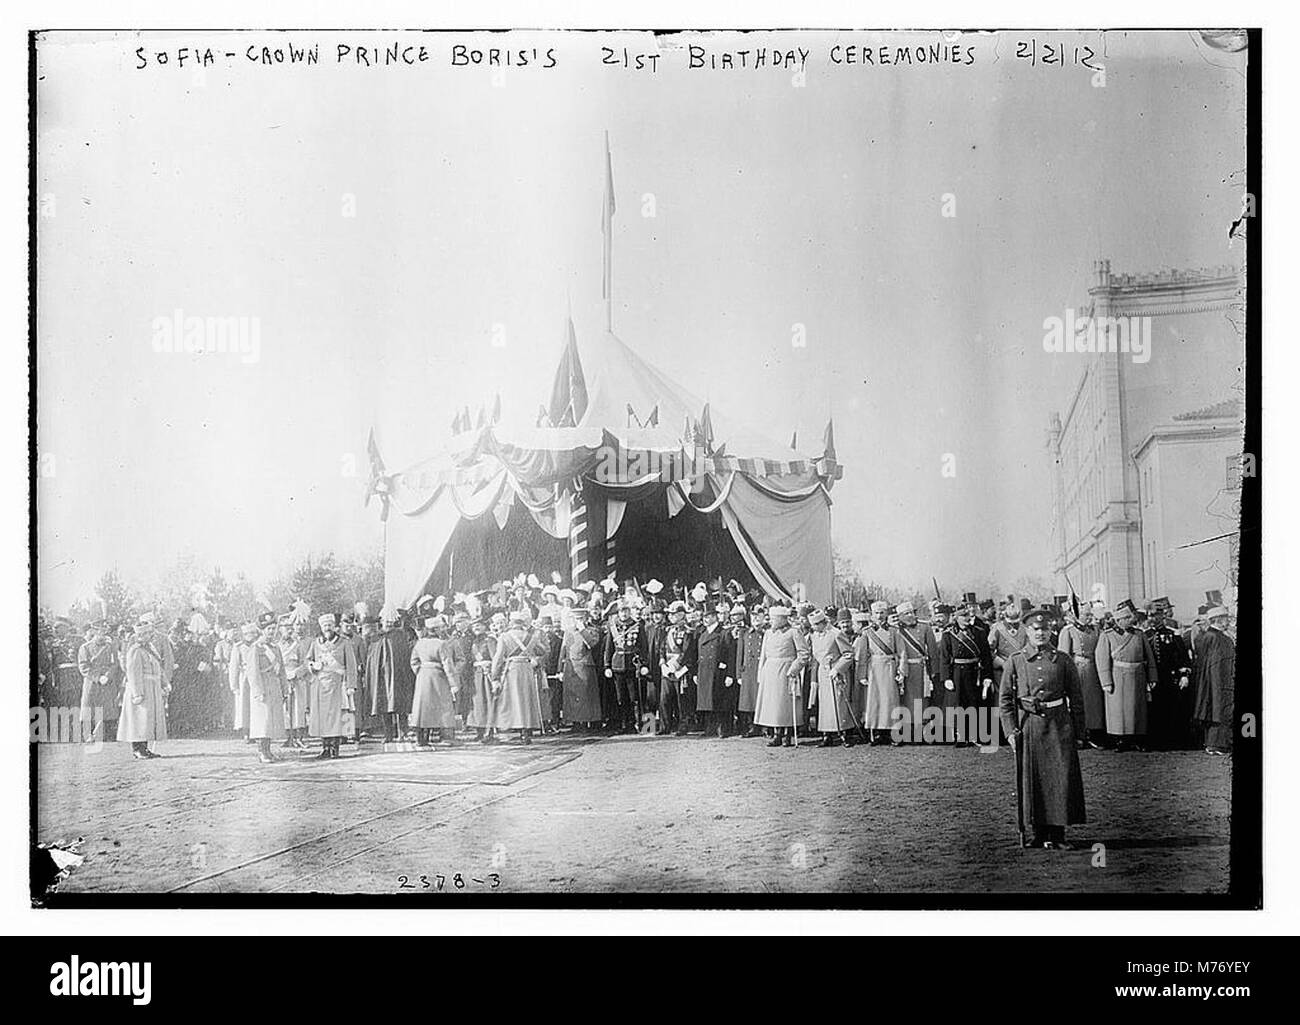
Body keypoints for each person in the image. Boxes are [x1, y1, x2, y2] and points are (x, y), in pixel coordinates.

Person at [999, 606, 1087, 850]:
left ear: (1052, 631)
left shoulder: (1063, 660)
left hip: (1059, 726)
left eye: (1045, 629)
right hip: (1030, 727)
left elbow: (1077, 698)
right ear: (1027, 631)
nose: (1041, 633)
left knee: (1059, 779)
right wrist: (1009, 732)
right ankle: (1038, 833)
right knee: (1034, 779)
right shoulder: (1015, 661)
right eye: (1036, 629)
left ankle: (1058, 834)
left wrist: (1079, 732)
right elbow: (1005, 700)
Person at [1095, 603, 1158, 752]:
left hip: (1138, 676)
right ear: (1120, 620)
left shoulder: (1139, 634)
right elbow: (1102, 659)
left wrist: (1152, 677)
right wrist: (1106, 682)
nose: (1132, 619)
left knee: (1137, 709)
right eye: (1128, 617)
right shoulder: (1107, 635)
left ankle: (1137, 739)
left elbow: (1149, 657)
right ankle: (1120, 740)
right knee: (1119, 710)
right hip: (1118, 677)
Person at [229, 618, 286, 763]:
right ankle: (262, 752)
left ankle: (268, 750)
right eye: (269, 629)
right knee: (262, 721)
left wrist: (284, 688)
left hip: (274, 685)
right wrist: (258, 691)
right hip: (262, 686)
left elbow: (282, 671)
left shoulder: (275, 647)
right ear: (262, 630)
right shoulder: (256, 647)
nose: (272, 632)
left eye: (274, 629)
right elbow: (252, 672)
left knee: (271, 720)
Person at [753, 605, 810, 748]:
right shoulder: (768, 633)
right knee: (773, 705)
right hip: (770, 672)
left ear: (782, 619)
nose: (771, 621)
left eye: (774, 619)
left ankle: (788, 735)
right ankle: (777, 734)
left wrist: (794, 669)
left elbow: (804, 654)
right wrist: (761, 673)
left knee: (785, 705)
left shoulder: (794, 632)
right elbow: (763, 656)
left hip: (787, 671)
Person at [937, 604, 995, 746]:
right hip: (957, 673)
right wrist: (946, 678)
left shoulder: (979, 632)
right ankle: (961, 735)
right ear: (956, 617)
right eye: (964, 616)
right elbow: (944, 658)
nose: (967, 618)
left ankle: (976, 735)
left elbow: (986, 656)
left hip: (975, 672)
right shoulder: (948, 634)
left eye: (969, 615)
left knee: (975, 703)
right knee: (959, 705)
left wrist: (987, 676)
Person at [117, 613, 171, 759]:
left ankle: (145, 748)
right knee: (139, 719)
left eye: (150, 633)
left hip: (152, 687)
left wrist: (164, 683)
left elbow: (158, 668)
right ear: (140, 635)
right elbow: (133, 673)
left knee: (147, 720)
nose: (150, 636)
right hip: (142, 688)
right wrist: (137, 693)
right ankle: (137, 749)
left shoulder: (149, 649)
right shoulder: (135, 650)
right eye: (147, 633)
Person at [489, 610, 546, 744]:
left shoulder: (504, 636)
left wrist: (495, 677)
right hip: (526, 669)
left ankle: (512, 728)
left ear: (511, 622)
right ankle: (526, 733)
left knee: (513, 700)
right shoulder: (532, 636)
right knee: (526, 700)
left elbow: (498, 659)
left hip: (512, 669)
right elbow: (542, 651)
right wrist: (534, 658)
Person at [308, 613, 358, 759]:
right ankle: (325, 748)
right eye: (324, 626)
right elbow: (308, 660)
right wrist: (313, 666)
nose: (327, 628)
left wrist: (351, 685)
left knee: (337, 717)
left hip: (337, 685)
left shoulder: (343, 643)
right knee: (323, 718)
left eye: (330, 625)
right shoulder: (316, 643)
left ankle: (335, 748)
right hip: (321, 685)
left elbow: (351, 666)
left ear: (334, 627)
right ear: (321, 628)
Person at [1145, 599, 1194, 750]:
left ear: (1162, 616)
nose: (1152, 619)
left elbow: (1182, 657)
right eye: (1149, 616)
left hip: (1169, 678)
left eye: (1155, 615)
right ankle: (1156, 741)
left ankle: (1173, 741)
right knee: (1154, 710)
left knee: (1171, 709)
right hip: (1152, 679)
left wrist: (1184, 675)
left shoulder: (1173, 635)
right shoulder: (1144, 636)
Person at [1057, 602, 1106, 749]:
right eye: (1086, 615)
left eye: (1091, 615)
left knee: (1094, 704)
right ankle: (1079, 734)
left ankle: (1094, 732)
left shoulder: (1095, 630)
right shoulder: (1069, 631)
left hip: (1094, 669)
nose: (1089, 618)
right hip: (1078, 670)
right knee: (1078, 703)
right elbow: (1064, 657)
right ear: (1077, 615)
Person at [854, 600, 902, 746]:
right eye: (876, 613)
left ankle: (892, 733)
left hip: (889, 667)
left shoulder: (894, 631)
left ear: (886, 614)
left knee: (890, 700)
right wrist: (861, 675)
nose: (880, 616)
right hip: (874, 668)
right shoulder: (867, 632)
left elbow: (902, 652)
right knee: (875, 701)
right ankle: (876, 733)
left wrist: (901, 671)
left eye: (882, 613)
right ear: (872, 615)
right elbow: (862, 655)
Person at [409, 615, 460, 747]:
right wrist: (453, 683)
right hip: (439, 677)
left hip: (423, 677)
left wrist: (421, 672)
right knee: (442, 705)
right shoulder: (441, 644)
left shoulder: (419, 643)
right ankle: (445, 737)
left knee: (423, 707)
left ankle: (421, 738)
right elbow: (447, 664)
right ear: (437, 630)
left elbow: (414, 662)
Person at [807, 609, 856, 747]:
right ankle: (827, 734)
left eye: (816, 625)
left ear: (823, 623)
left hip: (837, 672)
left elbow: (848, 654)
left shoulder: (836, 633)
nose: (814, 628)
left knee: (839, 702)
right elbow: (816, 655)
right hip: (823, 673)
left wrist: (837, 668)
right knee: (825, 705)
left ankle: (845, 734)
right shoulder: (814, 636)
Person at [368, 610, 416, 743]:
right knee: (383, 704)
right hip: (381, 677)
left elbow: (406, 656)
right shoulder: (375, 637)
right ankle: (388, 734)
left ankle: (402, 733)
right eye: (386, 621)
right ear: (382, 621)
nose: (388, 623)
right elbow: (372, 659)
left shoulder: (400, 636)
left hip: (398, 676)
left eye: (391, 621)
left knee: (400, 704)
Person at [1193, 607, 1236, 755]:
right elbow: (1216, 663)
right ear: (1217, 619)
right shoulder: (1215, 637)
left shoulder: (1212, 636)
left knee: (1216, 710)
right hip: (1219, 681)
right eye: (1225, 618)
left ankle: (1215, 744)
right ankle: (1217, 744)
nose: (1227, 621)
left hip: (1215, 680)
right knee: (1219, 710)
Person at [603, 600, 649, 734]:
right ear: (618, 612)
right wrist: (607, 666)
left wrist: (643, 663)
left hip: (632, 665)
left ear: (630, 612)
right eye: (621, 611)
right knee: (621, 698)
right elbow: (609, 648)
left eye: (626, 611)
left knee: (635, 697)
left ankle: (638, 724)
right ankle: (624, 724)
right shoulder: (613, 627)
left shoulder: (637, 626)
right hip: (617, 665)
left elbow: (643, 647)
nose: (623, 613)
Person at [895, 600, 938, 740]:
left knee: (921, 699)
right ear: (900, 616)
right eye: (906, 613)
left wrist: (934, 671)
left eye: (911, 612)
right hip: (904, 668)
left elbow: (932, 651)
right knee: (906, 700)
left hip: (921, 669)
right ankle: (908, 731)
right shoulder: (896, 630)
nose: (910, 615)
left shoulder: (925, 627)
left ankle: (923, 731)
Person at [695, 606, 737, 738]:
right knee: (707, 702)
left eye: (708, 617)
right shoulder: (702, 635)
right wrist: (696, 673)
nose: (706, 619)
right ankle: (710, 728)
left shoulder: (724, 633)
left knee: (719, 701)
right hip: (705, 671)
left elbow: (731, 655)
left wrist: (730, 674)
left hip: (719, 673)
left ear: (715, 617)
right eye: (704, 617)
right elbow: (698, 656)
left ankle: (723, 728)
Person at [657, 600, 698, 736]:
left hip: (681, 670)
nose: (671, 616)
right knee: (664, 699)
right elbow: (662, 648)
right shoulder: (668, 630)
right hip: (667, 668)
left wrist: (674, 667)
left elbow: (687, 652)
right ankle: (665, 726)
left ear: (681, 615)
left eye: (673, 614)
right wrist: (663, 663)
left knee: (682, 701)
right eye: (670, 614)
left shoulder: (688, 631)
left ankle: (683, 726)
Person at [560, 606, 603, 731]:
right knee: (571, 695)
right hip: (570, 666)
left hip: (585, 666)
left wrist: (582, 630)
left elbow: (592, 644)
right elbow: (563, 651)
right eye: (575, 618)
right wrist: (560, 669)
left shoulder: (591, 630)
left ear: (585, 618)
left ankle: (586, 721)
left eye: (580, 618)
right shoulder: (568, 632)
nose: (577, 621)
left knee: (585, 696)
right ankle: (575, 722)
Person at [77, 620, 121, 743]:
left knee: (107, 709)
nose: (102, 634)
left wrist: (107, 676)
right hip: (92, 682)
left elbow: (115, 663)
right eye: (100, 631)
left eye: (104, 631)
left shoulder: (111, 647)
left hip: (107, 682)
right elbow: (84, 667)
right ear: (94, 632)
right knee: (88, 707)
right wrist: (97, 677)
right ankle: (87, 735)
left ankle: (102, 734)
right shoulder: (85, 647)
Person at [278, 618, 312, 750]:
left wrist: (295, 673)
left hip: (297, 680)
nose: (288, 629)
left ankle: (299, 738)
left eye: (290, 626)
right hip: (283, 680)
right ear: (280, 629)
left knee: (298, 709)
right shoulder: (277, 646)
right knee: (285, 710)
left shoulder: (298, 645)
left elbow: (305, 663)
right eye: (285, 626)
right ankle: (289, 737)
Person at [467, 617, 500, 744]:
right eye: (474, 625)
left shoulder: (490, 640)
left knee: (488, 703)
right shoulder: (474, 641)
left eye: (479, 625)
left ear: (485, 626)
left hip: (487, 675)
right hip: (476, 675)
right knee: (477, 704)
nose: (476, 627)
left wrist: (491, 671)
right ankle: (479, 731)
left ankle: (489, 732)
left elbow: (495, 659)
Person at [736, 606, 765, 737]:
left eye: (758, 617)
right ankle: (752, 726)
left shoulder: (766, 633)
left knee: (762, 698)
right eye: (753, 617)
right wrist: (738, 673)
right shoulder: (745, 633)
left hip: (761, 669)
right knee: (749, 701)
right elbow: (740, 654)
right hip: (748, 670)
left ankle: (764, 727)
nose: (755, 620)